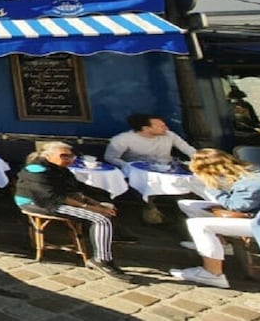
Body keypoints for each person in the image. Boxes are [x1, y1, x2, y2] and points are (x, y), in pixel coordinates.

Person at [170, 149, 260, 288]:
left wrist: (211, 186)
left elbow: (234, 206)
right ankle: (222, 246)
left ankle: (212, 273)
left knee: (197, 225)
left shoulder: (252, 184)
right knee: (188, 205)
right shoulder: (253, 172)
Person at [16, 141, 129, 281]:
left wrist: (96, 202)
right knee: (100, 218)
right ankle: (102, 260)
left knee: (105, 206)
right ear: (48, 156)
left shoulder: (60, 168)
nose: (68, 159)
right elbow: (54, 197)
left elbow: (74, 189)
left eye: (70, 156)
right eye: (63, 156)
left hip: (55, 199)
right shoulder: (35, 170)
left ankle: (111, 235)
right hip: (37, 202)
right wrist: (91, 208)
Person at [104, 113, 198, 225]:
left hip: (167, 170)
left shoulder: (170, 135)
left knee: (186, 186)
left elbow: (188, 149)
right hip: (141, 173)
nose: (166, 128)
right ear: (145, 128)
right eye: (161, 126)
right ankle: (151, 213)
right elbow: (110, 157)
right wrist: (127, 166)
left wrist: (203, 160)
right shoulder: (123, 139)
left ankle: (186, 215)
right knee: (143, 186)